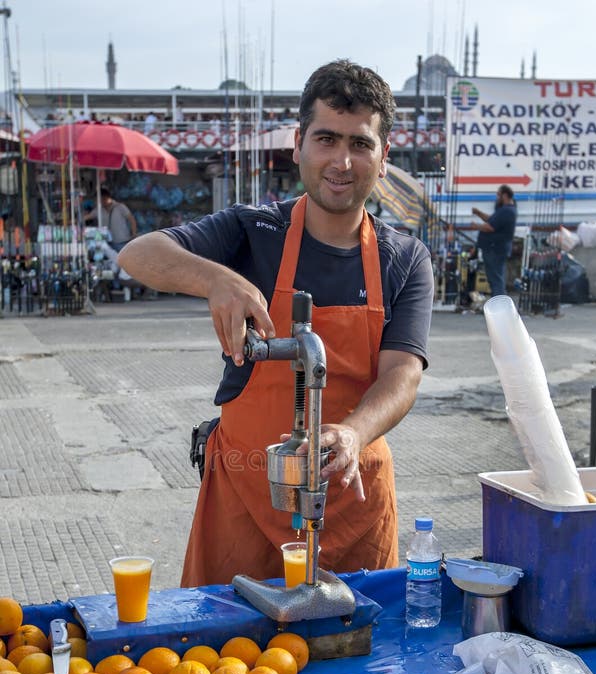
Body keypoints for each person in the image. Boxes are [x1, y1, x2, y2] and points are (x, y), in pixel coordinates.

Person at [119, 59, 434, 588]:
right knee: (224, 640)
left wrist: (354, 433)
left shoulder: (404, 258)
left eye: (360, 144)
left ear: (383, 158)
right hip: (243, 500)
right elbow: (137, 254)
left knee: (357, 639)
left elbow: (403, 373)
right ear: (298, 144)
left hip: (351, 496)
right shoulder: (252, 230)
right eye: (326, 139)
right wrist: (217, 279)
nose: (341, 161)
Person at [472, 185, 517, 297]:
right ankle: (498, 300)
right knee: (495, 278)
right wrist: (478, 213)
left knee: (496, 279)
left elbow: (490, 227)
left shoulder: (507, 211)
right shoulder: (504, 210)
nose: (497, 198)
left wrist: (477, 226)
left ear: (505, 195)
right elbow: (491, 219)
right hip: (494, 249)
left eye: (498, 195)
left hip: (495, 250)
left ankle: (499, 301)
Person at [90, 187, 137, 253]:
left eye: (98, 200)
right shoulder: (99, 210)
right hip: (108, 243)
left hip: (122, 242)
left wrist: (134, 234)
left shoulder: (120, 207)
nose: (97, 202)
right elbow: (87, 217)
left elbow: (132, 220)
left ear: (105, 198)